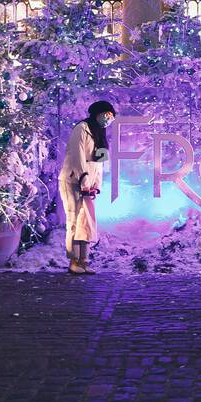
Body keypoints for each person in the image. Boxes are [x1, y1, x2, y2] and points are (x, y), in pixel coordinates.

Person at [59, 100, 115, 274]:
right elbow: (77, 155)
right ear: (98, 113)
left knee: (87, 222)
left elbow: (99, 163)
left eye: (111, 117)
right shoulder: (82, 128)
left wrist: (96, 184)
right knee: (74, 220)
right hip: (73, 182)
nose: (109, 119)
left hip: (88, 185)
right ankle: (73, 260)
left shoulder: (101, 134)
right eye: (107, 115)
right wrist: (83, 178)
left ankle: (84, 260)